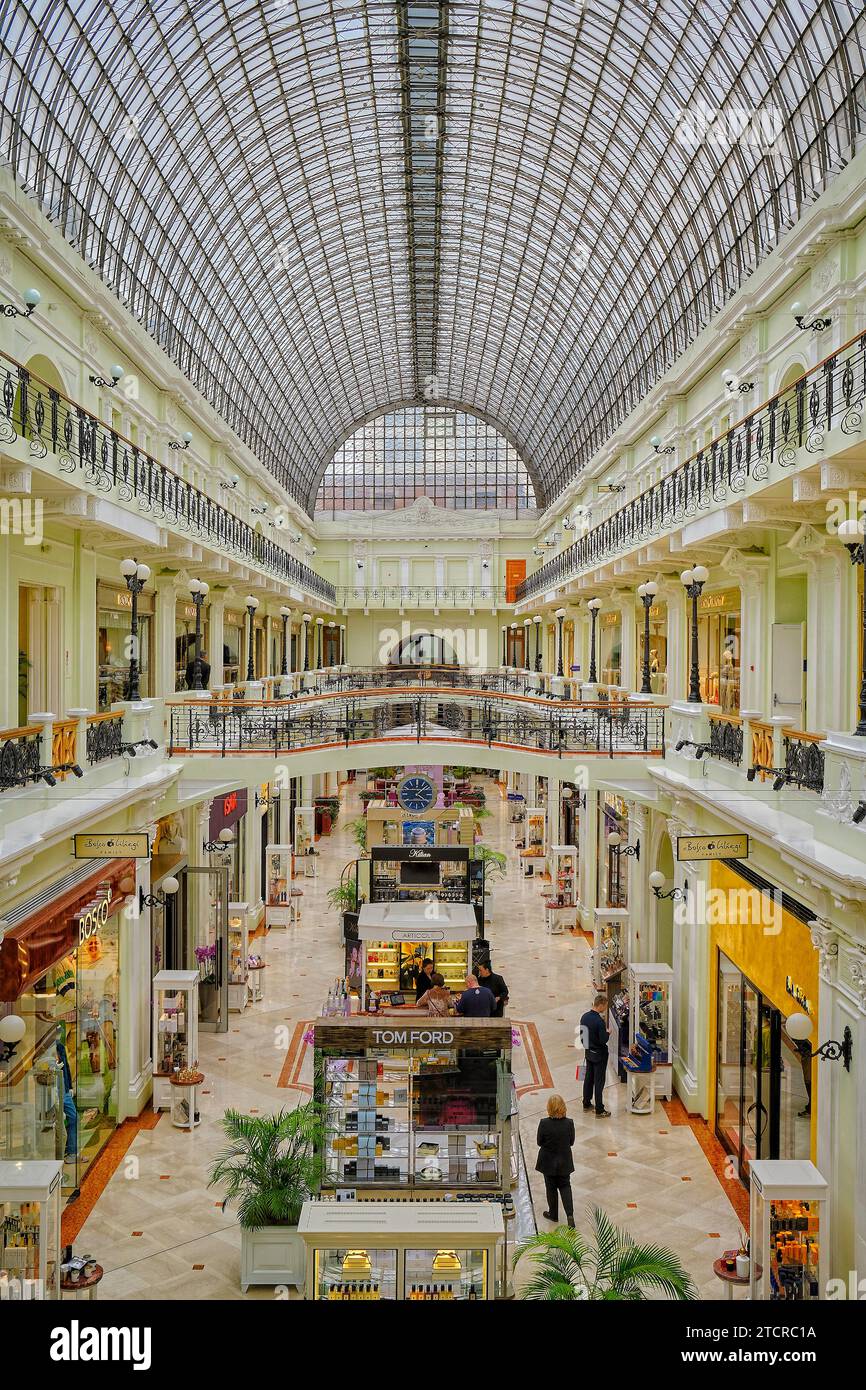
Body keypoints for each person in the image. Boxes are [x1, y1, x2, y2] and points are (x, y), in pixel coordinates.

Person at [536, 1094, 575, 1226]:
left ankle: (553, 1214)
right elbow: (571, 1142)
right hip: (564, 1160)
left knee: (551, 1187)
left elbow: (539, 1142)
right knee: (565, 1186)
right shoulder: (569, 1123)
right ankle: (570, 1215)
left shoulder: (544, 1123)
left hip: (548, 1161)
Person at [579, 993, 612, 1117]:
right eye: (605, 1006)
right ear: (601, 1005)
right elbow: (603, 1040)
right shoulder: (599, 1021)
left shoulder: (584, 1017)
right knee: (599, 1081)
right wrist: (608, 1033)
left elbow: (582, 1036)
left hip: (588, 1052)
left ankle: (586, 1103)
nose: (605, 1009)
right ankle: (599, 1108)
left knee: (588, 1078)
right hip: (599, 1054)